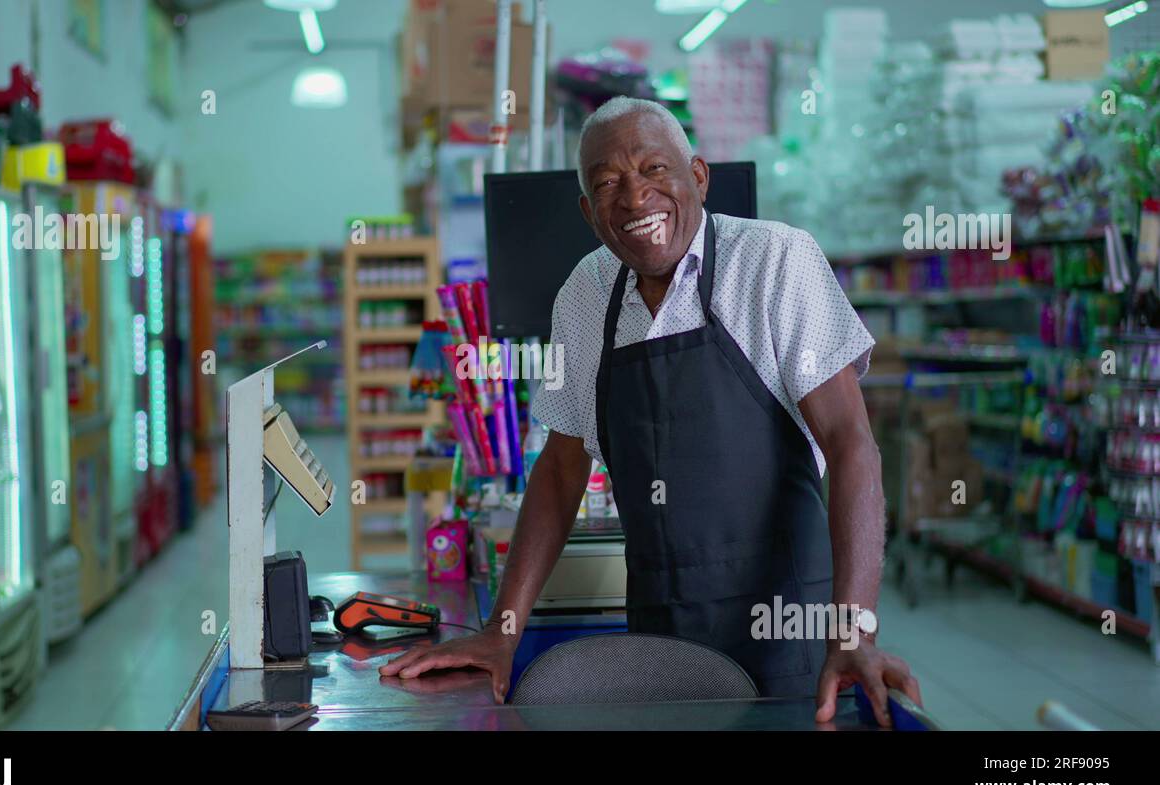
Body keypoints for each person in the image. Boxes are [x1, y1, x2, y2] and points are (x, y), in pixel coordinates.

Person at [381, 96, 921, 726]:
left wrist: (852, 633)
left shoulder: (775, 261)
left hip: (793, 637)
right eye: (607, 183)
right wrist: (502, 632)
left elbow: (852, 443)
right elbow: (559, 471)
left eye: (654, 170)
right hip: (660, 642)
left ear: (697, 175)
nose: (634, 199)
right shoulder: (586, 294)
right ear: (588, 210)